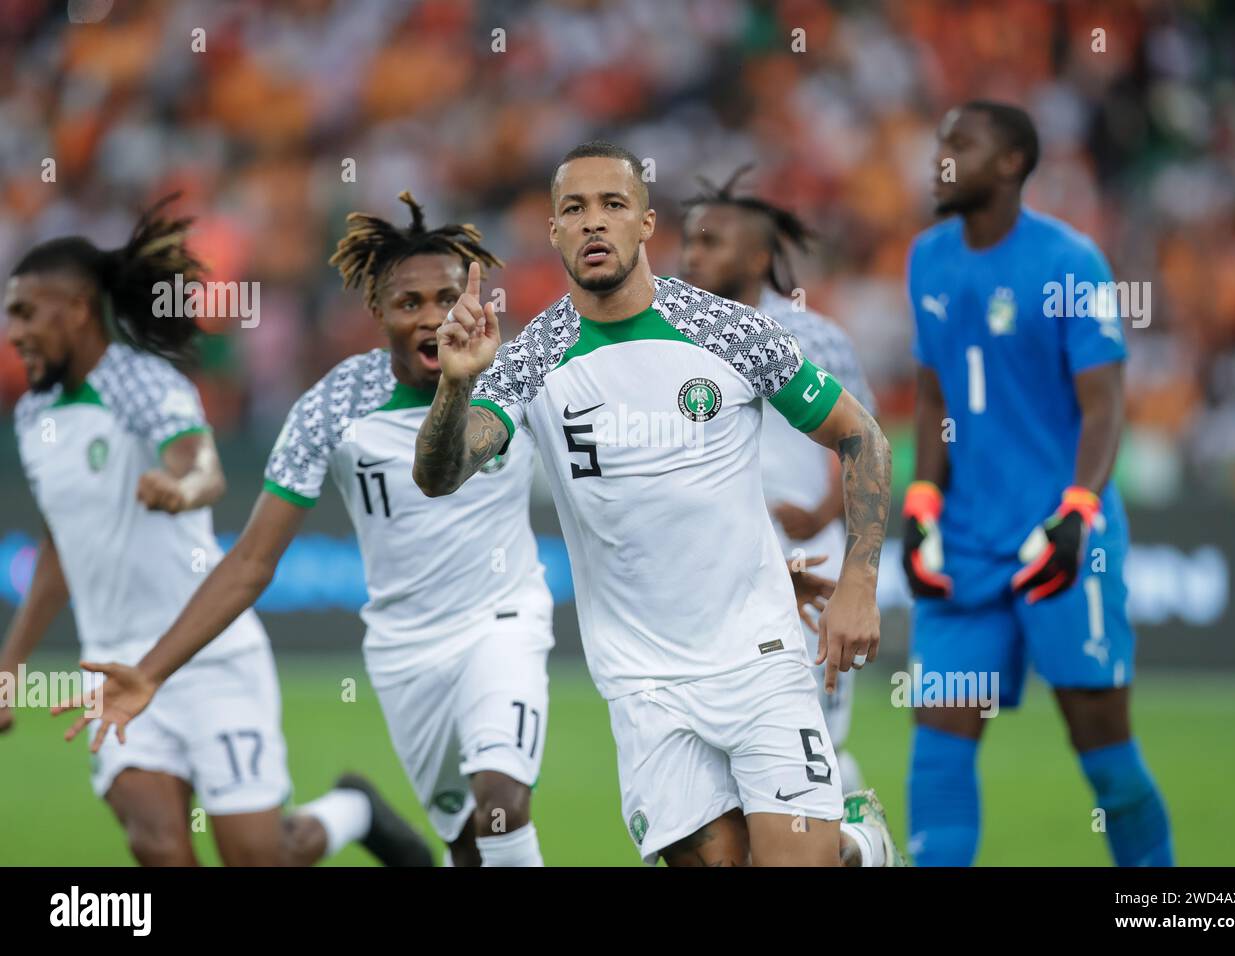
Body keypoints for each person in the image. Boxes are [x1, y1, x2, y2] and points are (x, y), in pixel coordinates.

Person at [413, 142, 903, 867]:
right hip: (643, 685)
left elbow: (862, 436)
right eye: (573, 209)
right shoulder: (528, 360)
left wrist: (859, 581)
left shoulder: (726, 331)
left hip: (760, 657)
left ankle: (855, 844)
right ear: (553, 231)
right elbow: (440, 475)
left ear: (645, 224)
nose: (593, 223)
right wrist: (455, 384)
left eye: (612, 205)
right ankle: (853, 848)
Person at [54, 194, 554, 867]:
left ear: (475, 300)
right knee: (466, 841)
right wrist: (149, 673)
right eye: (410, 304)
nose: (433, 317)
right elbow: (251, 563)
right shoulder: (333, 405)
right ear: (377, 312)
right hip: (405, 652)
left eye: (448, 298)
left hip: (505, 619)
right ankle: (373, 819)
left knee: (502, 804)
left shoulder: (517, 377)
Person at [7, 196, 429, 866]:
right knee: (160, 849)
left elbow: (200, 461)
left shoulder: (143, 384)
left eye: (26, 312)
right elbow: (62, 543)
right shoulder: (35, 418)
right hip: (115, 663)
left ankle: (351, 810)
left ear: (76, 310)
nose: (15, 330)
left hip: (211, 658)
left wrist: (184, 486)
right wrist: (10, 665)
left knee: (258, 857)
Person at [902, 101, 1173, 866]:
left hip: (1057, 543)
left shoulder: (1069, 262)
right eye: (940, 140)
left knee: (1107, 760)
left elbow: (1105, 404)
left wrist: (1078, 512)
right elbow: (933, 395)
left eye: (961, 143)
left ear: (1012, 162)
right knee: (938, 758)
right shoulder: (927, 256)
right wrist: (921, 504)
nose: (941, 157)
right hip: (963, 547)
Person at [680, 166, 876, 796]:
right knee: (720, 759)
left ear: (760, 255)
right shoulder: (672, 335)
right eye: (691, 240)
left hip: (803, 567)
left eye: (712, 241)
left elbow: (864, 442)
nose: (692, 254)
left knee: (811, 749)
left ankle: (857, 839)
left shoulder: (815, 337)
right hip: (709, 573)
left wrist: (823, 510)